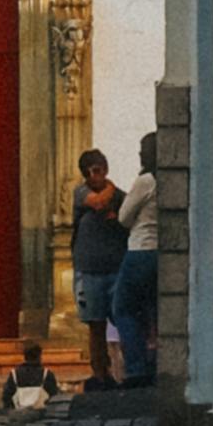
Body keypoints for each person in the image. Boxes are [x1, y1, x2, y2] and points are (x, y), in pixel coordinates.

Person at [66, 150, 130, 388]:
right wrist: (111, 187)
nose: (97, 175)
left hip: (116, 268)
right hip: (89, 270)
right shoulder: (81, 193)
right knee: (96, 325)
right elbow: (99, 202)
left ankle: (127, 370)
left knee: (124, 321)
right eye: (92, 171)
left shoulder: (121, 197)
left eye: (100, 169)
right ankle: (100, 374)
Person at [110, 137, 162, 393]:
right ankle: (155, 364)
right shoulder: (168, 180)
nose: (140, 155)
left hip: (141, 250)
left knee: (123, 309)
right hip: (163, 252)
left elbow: (123, 217)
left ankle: (137, 367)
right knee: (154, 310)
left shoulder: (146, 181)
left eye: (143, 151)